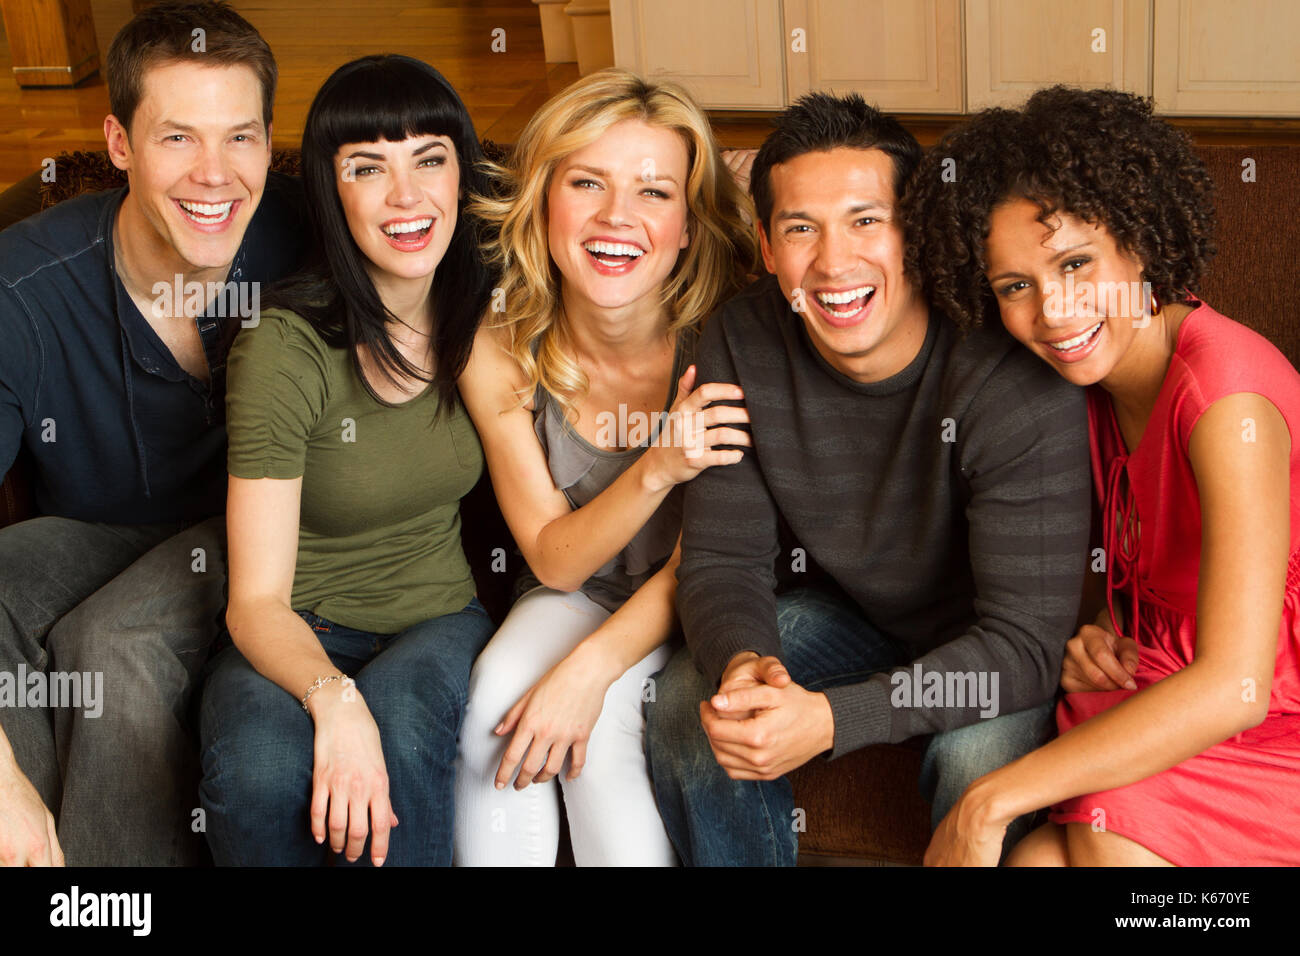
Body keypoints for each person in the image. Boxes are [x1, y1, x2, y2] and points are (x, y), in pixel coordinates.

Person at [644, 91, 1095, 866]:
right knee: (695, 706)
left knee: (975, 761)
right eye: (800, 229)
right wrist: (747, 662)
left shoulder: (1008, 370)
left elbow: (1023, 647)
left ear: (914, 234)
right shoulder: (739, 340)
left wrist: (833, 718)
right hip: (850, 615)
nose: (833, 262)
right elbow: (722, 559)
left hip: (991, 641)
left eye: (865, 220)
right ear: (766, 245)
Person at [904, 86, 1300, 866]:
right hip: (1167, 677)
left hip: (1263, 707)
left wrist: (991, 799)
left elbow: (1238, 684)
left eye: (1076, 264)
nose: (1054, 311)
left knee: (1104, 835)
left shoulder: (1226, 397)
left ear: (1141, 241)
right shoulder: (1082, 385)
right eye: (1015, 286)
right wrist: (1101, 631)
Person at [0, 1, 304, 866]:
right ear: (120, 143)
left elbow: (446, 206)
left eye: (240, 138)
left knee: (113, 641)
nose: (216, 175)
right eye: (177, 139)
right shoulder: (22, 287)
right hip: (103, 534)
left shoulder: (313, 227)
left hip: (277, 527)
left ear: (270, 141)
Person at [196, 54, 498, 867]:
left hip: (438, 618)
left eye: (429, 159)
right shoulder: (283, 346)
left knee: (401, 729)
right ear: (333, 194)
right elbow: (255, 601)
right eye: (369, 168)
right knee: (260, 771)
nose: (407, 196)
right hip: (300, 626)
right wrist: (333, 699)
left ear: (461, 174)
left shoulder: (488, 314)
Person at [453, 68, 756, 866]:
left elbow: (710, 561)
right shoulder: (500, 345)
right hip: (579, 585)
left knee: (614, 712)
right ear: (544, 200)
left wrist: (590, 669)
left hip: (706, 595)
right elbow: (554, 558)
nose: (616, 217)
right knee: (493, 701)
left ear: (689, 226)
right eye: (586, 182)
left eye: (654, 193)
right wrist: (657, 465)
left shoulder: (731, 340)